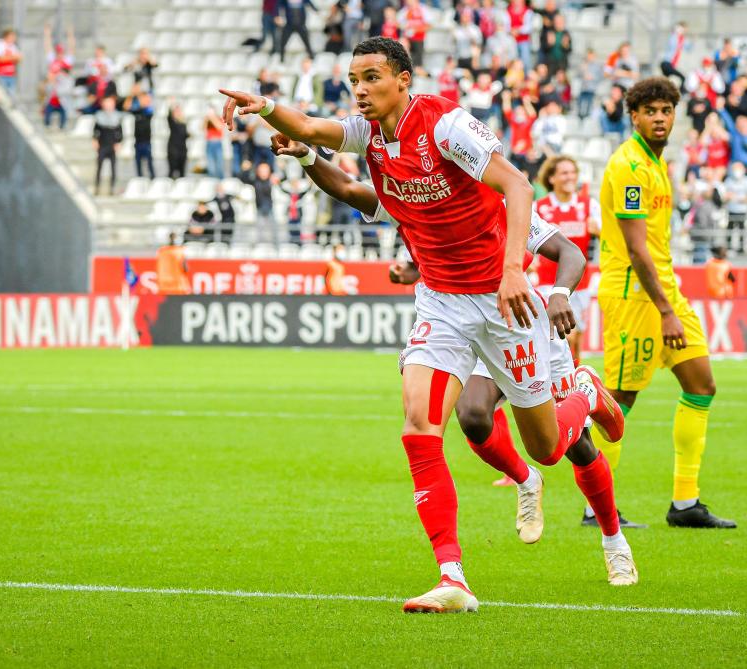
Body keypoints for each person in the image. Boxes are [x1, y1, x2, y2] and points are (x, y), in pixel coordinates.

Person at [219, 37, 626, 612]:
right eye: (353, 78)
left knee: (548, 449)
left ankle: (581, 394)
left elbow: (518, 184)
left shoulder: (444, 124)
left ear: (404, 79)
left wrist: (515, 271)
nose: (359, 89)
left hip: (505, 304)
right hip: (442, 305)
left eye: (372, 77)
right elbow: (314, 135)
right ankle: (452, 576)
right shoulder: (373, 141)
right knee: (419, 423)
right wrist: (264, 110)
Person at [272, 131, 637, 573]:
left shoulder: (496, 204)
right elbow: (349, 190)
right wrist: (308, 154)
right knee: (473, 415)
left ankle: (612, 533)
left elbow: (569, 251)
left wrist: (560, 292)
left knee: (567, 445)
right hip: (460, 323)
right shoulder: (416, 197)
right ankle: (522, 483)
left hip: (521, 323)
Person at [596, 76, 737, 529]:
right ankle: (595, 504)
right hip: (633, 293)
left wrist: (669, 301)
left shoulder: (657, 164)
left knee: (701, 383)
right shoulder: (630, 167)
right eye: (650, 111)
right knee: (620, 399)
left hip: (663, 288)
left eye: (666, 110)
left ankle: (684, 503)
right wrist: (666, 310)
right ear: (633, 116)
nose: (659, 118)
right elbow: (637, 249)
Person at [533, 155, 599, 368]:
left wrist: (598, 230)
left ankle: (573, 385)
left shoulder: (589, 205)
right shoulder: (539, 208)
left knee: (576, 339)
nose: (570, 177)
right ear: (552, 178)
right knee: (563, 337)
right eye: (564, 173)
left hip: (580, 284)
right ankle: (559, 386)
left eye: (573, 172)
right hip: (548, 284)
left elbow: (610, 236)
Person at [42, 24, 75, 129]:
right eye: (58, 52)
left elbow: (72, 48)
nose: (59, 54)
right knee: (47, 110)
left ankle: (62, 126)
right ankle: (47, 125)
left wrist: (70, 35)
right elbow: (47, 47)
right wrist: (47, 34)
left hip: (63, 92)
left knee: (64, 110)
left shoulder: (67, 60)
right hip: (52, 91)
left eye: (61, 52)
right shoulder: (53, 60)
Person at [721, 162, 747, 254]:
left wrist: (739, 199)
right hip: (731, 209)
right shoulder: (729, 181)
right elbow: (726, 196)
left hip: (743, 210)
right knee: (729, 229)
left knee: (742, 229)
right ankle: (728, 247)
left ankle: (741, 248)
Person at [92, 96, 123, 196]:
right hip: (102, 144)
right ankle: (97, 187)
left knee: (113, 168)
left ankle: (112, 188)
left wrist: (118, 142)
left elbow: (120, 132)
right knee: (99, 167)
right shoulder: (100, 116)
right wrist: (95, 140)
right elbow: (96, 130)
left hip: (111, 145)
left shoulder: (116, 117)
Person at [124, 85, 155, 179]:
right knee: (138, 165)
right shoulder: (137, 110)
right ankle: (139, 180)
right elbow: (126, 107)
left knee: (149, 164)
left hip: (147, 142)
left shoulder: (148, 111)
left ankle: (152, 179)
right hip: (137, 142)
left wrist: (141, 97)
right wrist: (132, 95)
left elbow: (148, 105)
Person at [0, 29, 22, 95]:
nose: (14, 38)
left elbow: (18, 59)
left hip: (11, 75)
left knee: (12, 95)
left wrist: (15, 58)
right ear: (7, 36)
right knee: (1, 94)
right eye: (12, 36)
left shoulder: (13, 46)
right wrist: (13, 57)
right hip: (0, 75)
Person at [658, 22, 687, 88]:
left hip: (670, 64)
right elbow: (673, 43)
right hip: (666, 63)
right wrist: (677, 32)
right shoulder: (674, 38)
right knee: (682, 77)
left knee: (666, 82)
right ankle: (682, 92)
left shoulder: (681, 39)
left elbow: (687, 47)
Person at [167, 103, 189, 179]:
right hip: (173, 149)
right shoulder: (172, 122)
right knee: (172, 171)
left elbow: (184, 135)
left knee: (182, 172)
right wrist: (171, 105)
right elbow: (169, 116)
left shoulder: (183, 123)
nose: (178, 113)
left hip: (182, 149)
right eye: (176, 111)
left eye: (179, 111)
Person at [204, 106, 226, 179]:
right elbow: (202, 128)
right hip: (209, 142)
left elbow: (219, 127)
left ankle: (220, 181)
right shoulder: (208, 120)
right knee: (211, 166)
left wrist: (212, 118)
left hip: (217, 143)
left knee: (219, 165)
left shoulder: (219, 118)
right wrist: (206, 119)